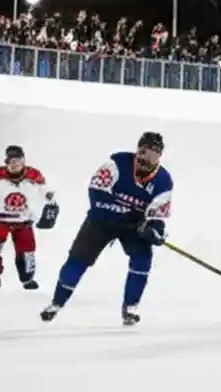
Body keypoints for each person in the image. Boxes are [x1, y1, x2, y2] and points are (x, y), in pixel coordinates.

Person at [39, 132, 172, 326]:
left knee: (143, 259)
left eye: (151, 154)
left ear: (159, 157)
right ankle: (56, 303)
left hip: (133, 227)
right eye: (142, 151)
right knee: (78, 259)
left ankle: (131, 307)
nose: (144, 157)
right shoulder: (116, 163)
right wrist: (130, 213)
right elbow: (97, 194)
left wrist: (154, 229)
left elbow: (157, 215)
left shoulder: (164, 181)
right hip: (101, 221)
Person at [0, 145, 57, 289]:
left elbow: (47, 192)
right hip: (0, 221)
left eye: (19, 160)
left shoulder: (34, 175)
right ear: (7, 162)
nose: (16, 164)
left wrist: (51, 206)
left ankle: (27, 279)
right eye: (12, 161)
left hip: (24, 221)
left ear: (24, 160)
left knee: (27, 251)